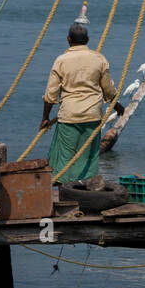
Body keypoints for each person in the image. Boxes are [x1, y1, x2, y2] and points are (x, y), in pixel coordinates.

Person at [41, 21, 124, 182]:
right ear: (87, 40)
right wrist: (118, 107)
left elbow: (51, 94)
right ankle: (85, 189)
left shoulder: (61, 60)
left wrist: (45, 118)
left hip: (69, 116)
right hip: (92, 115)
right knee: (88, 157)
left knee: (65, 157)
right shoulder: (99, 59)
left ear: (68, 39)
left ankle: (65, 190)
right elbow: (108, 89)